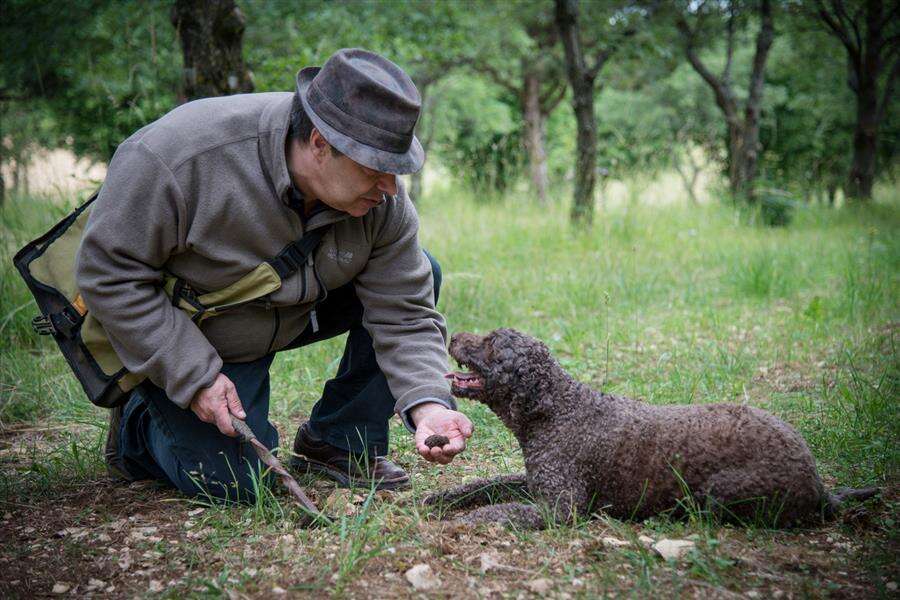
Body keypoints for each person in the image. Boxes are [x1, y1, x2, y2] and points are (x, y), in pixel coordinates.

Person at [75, 48, 473, 501]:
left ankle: (340, 440)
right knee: (237, 483)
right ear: (320, 144)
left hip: (296, 311)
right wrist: (194, 375)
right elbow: (108, 273)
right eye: (375, 168)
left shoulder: (384, 202)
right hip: (201, 336)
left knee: (427, 268)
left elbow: (404, 313)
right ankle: (139, 423)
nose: (389, 189)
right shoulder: (178, 157)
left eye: (396, 169)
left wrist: (429, 405)